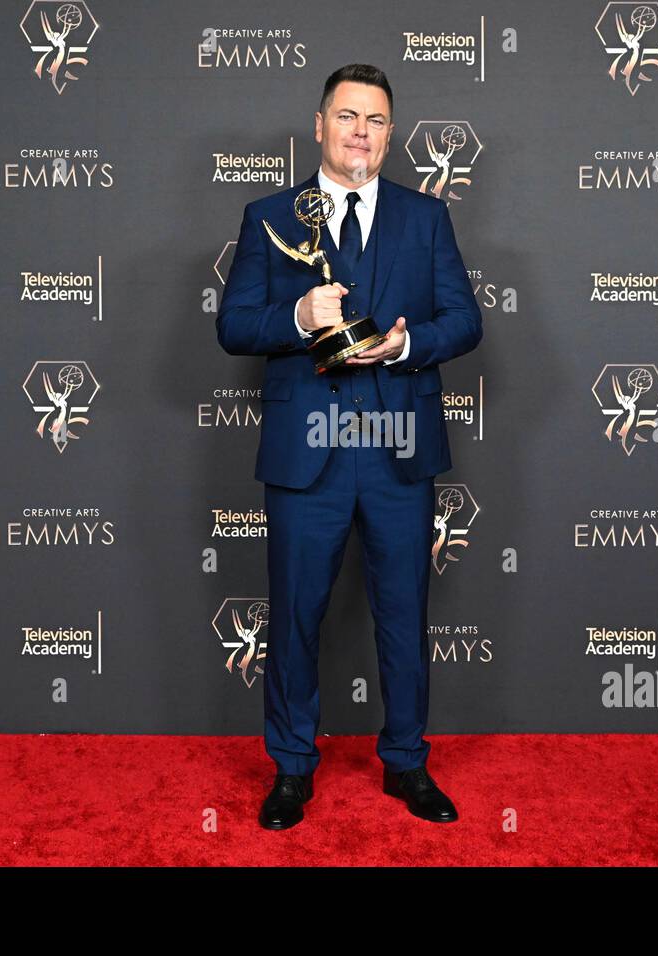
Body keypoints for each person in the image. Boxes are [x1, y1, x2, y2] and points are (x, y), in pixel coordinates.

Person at [216, 64, 483, 829]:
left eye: (375, 119)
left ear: (391, 134)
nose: (360, 131)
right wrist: (298, 315)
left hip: (399, 451)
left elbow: (465, 323)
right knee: (295, 616)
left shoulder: (426, 218)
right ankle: (292, 769)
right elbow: (233, 326)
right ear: (319, 125)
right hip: (309, 454)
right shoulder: (269, 214)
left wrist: (406, 345)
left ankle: (406, 762)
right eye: (346, 116)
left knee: (404, 615)